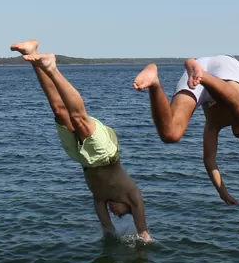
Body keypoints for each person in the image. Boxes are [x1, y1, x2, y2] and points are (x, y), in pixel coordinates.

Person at [11, 39, 152, 243]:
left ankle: (35, 56)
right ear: (127, 206)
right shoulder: (133, 195)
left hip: (83, 157)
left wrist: (111, 232)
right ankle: (52, 68)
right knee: (79, 118)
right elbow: (143, 231)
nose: (116, 213)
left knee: (59, 111)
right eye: (121, 213)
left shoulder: (100, 198)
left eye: (116, 215)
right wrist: (144, 236)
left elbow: (107, 228)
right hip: (106, 154)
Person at [133, 56, 239, 206]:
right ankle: (203, 75)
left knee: (170, 134)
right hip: (226, 68)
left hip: (196, 73)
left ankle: (154, 82)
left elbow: (209, 161)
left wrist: (223, 193)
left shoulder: (214, 123)